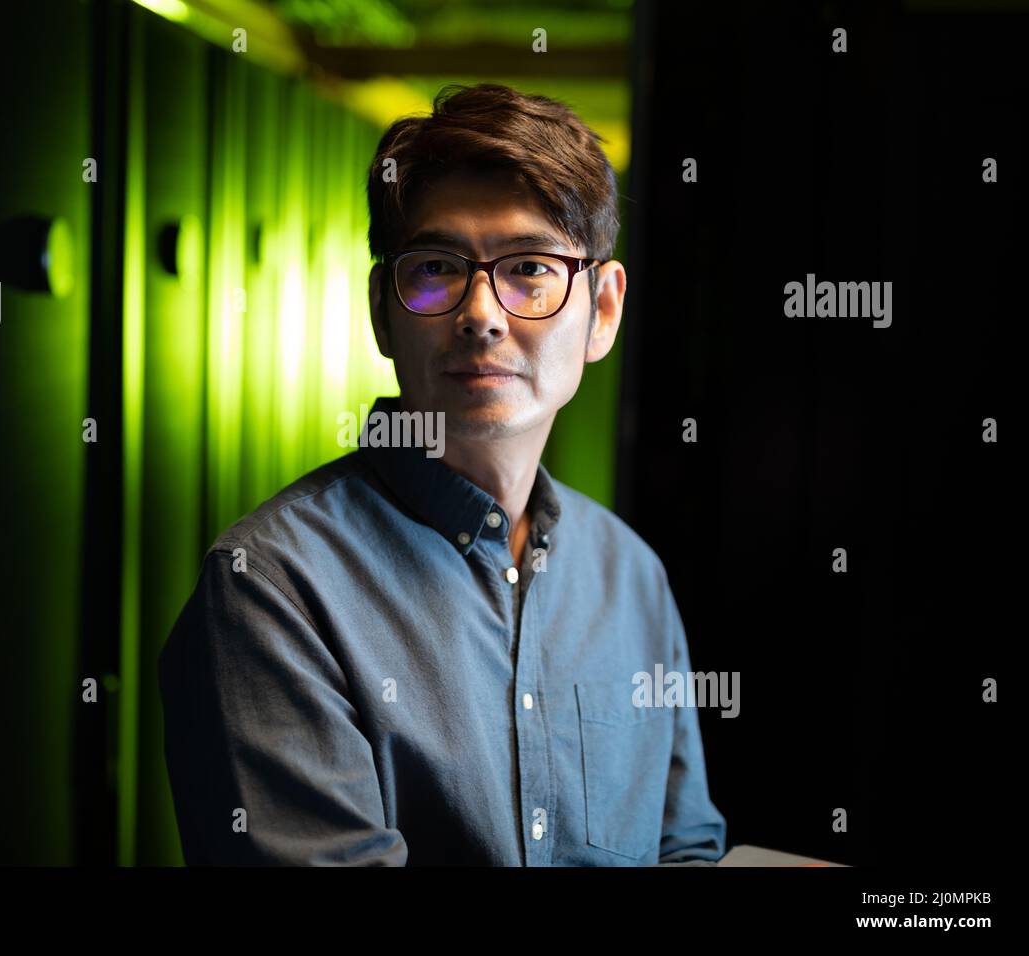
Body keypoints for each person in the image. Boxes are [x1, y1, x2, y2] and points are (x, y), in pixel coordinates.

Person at [158, 82, 727, 866]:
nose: (482, 312)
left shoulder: (630, 576)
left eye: (529, 267)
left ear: (602, 311)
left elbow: (683, 849)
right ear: (382, 313)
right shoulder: (274, 588)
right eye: (436, 266)